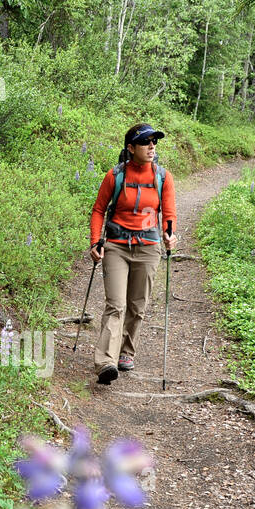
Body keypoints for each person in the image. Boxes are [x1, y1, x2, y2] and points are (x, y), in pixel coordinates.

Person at [87, 122, 176, 385]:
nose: (152, 146)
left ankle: (127, 352)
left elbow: (168, 215)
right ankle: (106, 362)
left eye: (154, 142)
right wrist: (95, 242)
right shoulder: (115, 176)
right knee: (116, 304)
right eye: (146, 142)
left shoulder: (163, 178)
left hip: (148, 248)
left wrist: (169, 234)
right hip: (116, 246)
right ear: (131, 148)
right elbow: (98, 210)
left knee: (137, 306)